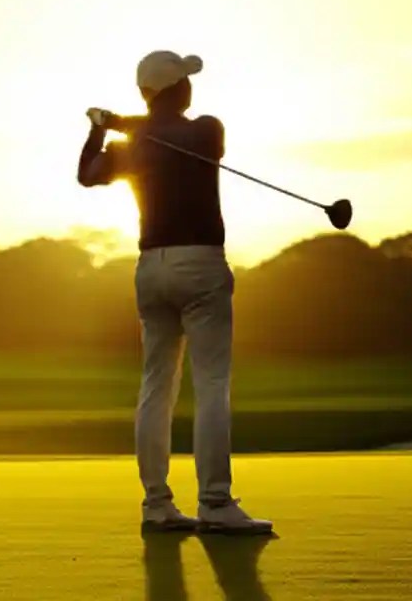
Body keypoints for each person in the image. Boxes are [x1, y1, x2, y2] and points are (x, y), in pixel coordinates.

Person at [78, 50, 273, 536]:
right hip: (199, 265)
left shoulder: (139, 143)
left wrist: (103, 127)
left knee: (156, 386)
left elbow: (88, 171)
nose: (192, 87)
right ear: (177, 89)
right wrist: (112, 125)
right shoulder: (203, 128)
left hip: (150, 268)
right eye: (186, 80)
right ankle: (215, 502)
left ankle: (157, 504)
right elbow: (93, 173)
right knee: (211, 384)